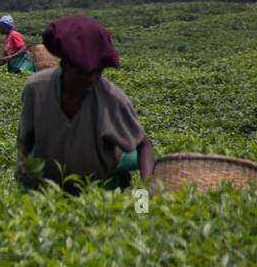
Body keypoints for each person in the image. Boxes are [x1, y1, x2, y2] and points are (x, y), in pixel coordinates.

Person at [15, 16, 155, 193]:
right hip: (50, 190)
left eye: (98, 72)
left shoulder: (112, 97)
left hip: (100, 191)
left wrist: (148, 186)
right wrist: (22, 163)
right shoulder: (36, 89)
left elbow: (143, 146)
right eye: (83, 73)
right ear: (65, 65)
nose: (91, 79)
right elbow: (26, 138)